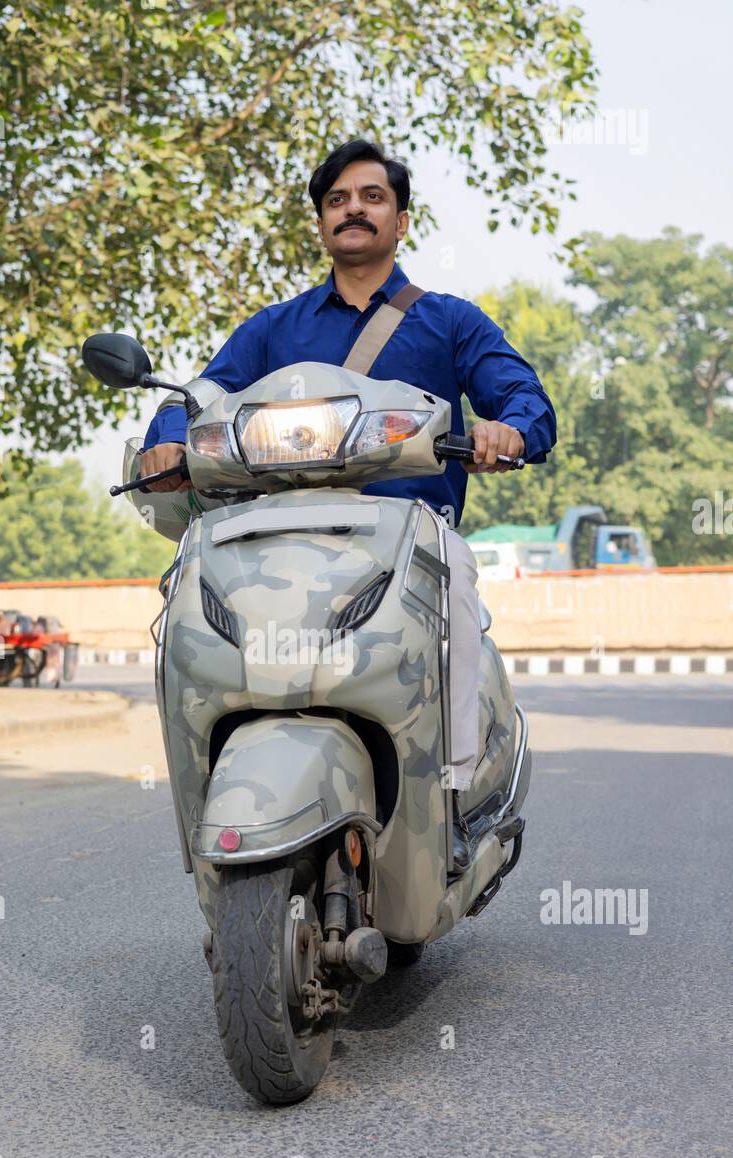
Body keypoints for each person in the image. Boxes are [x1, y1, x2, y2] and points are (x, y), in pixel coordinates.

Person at [138, 138, 556, 872]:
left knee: (454, 609)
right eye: (336, 201)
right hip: (275, 535)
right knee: (181, 608)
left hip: (406, 533)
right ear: (321, 223)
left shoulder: (448, 321)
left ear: (400, 220)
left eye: (370, 197)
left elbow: (522, 399)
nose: (352, 210)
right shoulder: (275, 328)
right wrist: (168, 442)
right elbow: (201, 397)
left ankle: (453, 798)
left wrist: (508, 429)